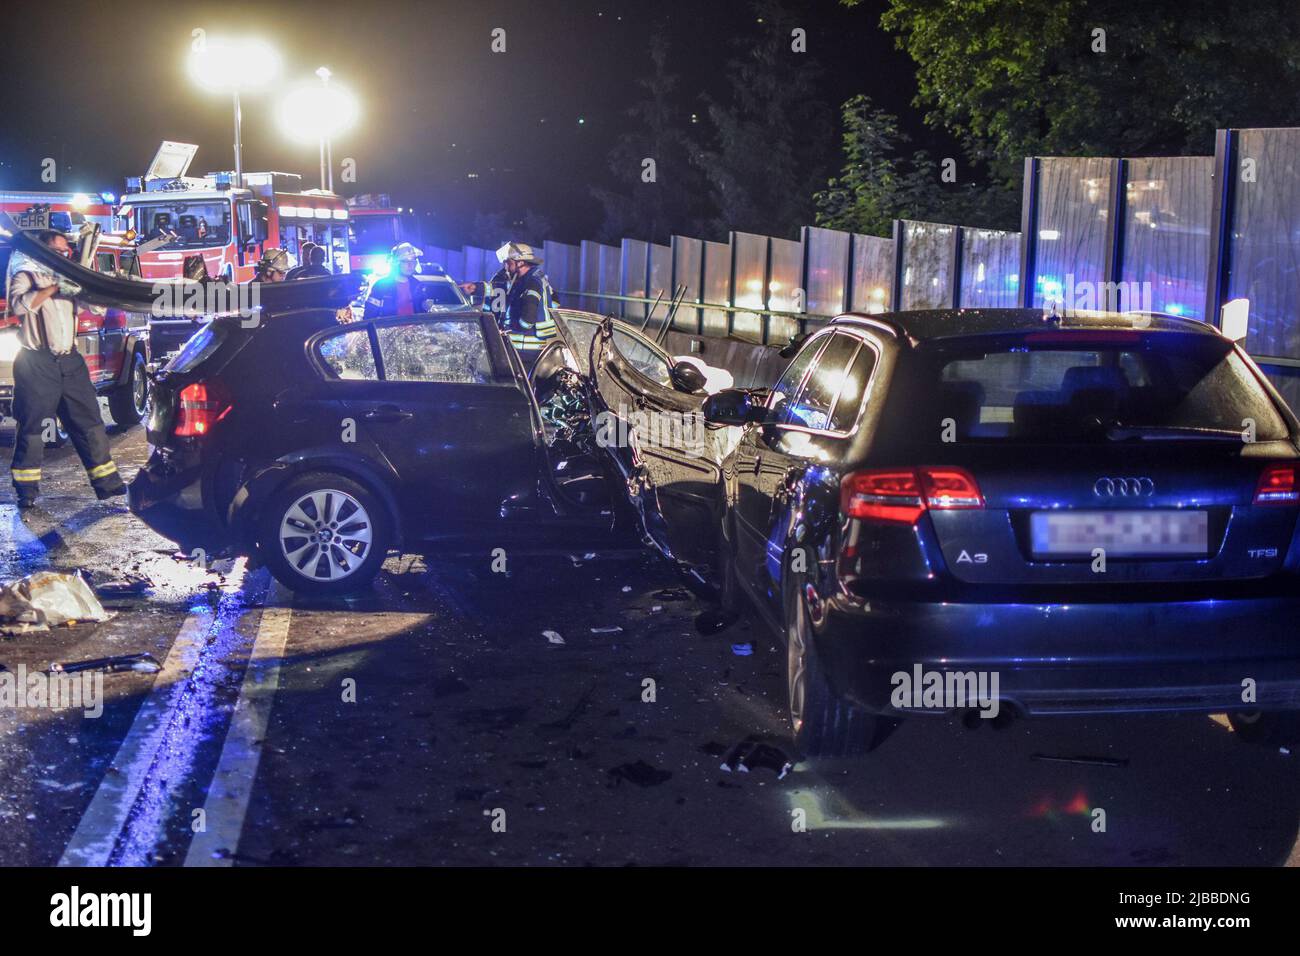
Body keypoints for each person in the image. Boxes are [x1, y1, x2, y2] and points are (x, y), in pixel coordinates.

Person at [6, 229, 126, 507]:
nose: (65, 256)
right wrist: (53, 288)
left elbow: (96, 310)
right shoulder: (26, 275)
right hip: (37, 362)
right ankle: (26, 492)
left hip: (70, 361)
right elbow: (19, 306)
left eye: (66, 252)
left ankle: (107, 484)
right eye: (59, 252)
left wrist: (90, 289)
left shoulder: (72, 280)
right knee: (32, 428)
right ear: (44, 252)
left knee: (90, 423)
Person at [497, 242, 557, 368]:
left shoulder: (531, 282)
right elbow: (555, 302)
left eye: (508, 262)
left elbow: (527, 320)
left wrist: (510, 328)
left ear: (520, 262)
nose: (505, 266)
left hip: (526, 349)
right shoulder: (534, 277)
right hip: (534, 348)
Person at [363, 242, 426, 318]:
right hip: (389, 329)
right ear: (396, 263)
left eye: (413, 261)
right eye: (405, 261)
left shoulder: (417, 285)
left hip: (416, 329)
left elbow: (422, 313)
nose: (410, 265)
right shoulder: (381, 286)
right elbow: (369, 316)